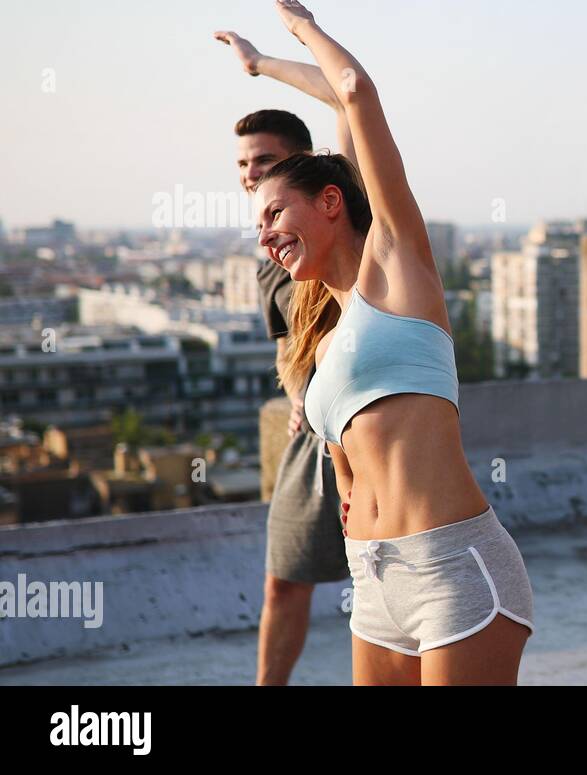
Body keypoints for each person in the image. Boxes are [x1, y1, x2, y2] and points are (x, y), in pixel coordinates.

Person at [255, 0, 533, 686]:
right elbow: (348, 454)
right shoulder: (324, 332)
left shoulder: (400, 265)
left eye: (273, 212)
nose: (263, 234)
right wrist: (352, 503)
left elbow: (353, 95)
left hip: (452, 568)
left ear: (328, 201)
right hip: (373, 580)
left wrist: (297, 28)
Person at [215, 24, 358, 684]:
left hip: (367, 427)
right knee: (284, 582)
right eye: (244, 165)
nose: (251, 175)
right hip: (312, 435)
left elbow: (347, 96)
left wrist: (261, 63)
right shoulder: (270, 246)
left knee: (389, 588)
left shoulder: (348, 217)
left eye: (266, 162)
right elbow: (287, 344)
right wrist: (298, 392)